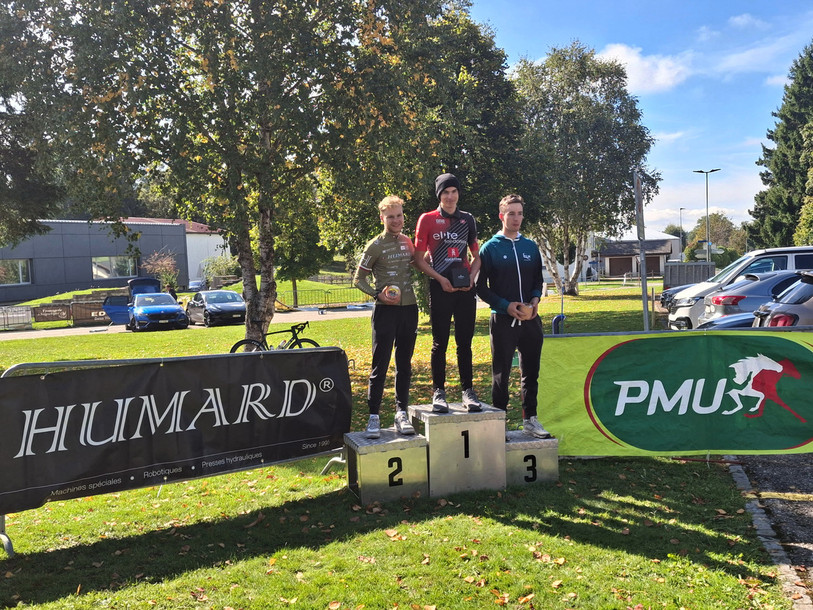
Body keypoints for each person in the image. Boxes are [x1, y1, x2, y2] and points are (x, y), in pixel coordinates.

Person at [475, 194, 550, 438]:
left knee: (531, 372)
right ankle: (500, 423)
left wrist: (536, 300)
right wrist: (505, 306)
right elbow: (480, 287)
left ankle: (531, 419)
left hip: (530, 320)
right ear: (502, 216)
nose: (516, 218)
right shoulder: (490, 248)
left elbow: (538, 280)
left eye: (519, 213)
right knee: (502, 373)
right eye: (511, 214)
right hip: (503, 320)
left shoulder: (530, 246)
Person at [414, 173, 482, 413]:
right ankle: (438, 392)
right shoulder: (428, 219)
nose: (450, 196)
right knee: (439, 343)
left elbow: (477, 256)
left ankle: (468, 391)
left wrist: (472, 278)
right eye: (445, 192)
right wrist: (440, 279)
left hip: (464, 289)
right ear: (439, 195)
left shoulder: (467, 220)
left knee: (465, 343)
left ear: (458, 193)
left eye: (453, 191)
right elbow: (418, 259)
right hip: (440, 287)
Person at [354, 196, 419, 439]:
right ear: (382, 218)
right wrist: (377, 294)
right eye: (390, 216)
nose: (396, 220)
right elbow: (358, 279)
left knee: (404, 364)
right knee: (379, 365)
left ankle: (401, 413)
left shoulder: (407, 242)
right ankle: (374, 416)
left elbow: (419, 263)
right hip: (385, 311)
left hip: (409, 309)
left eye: (399, 215)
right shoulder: (375, 245)